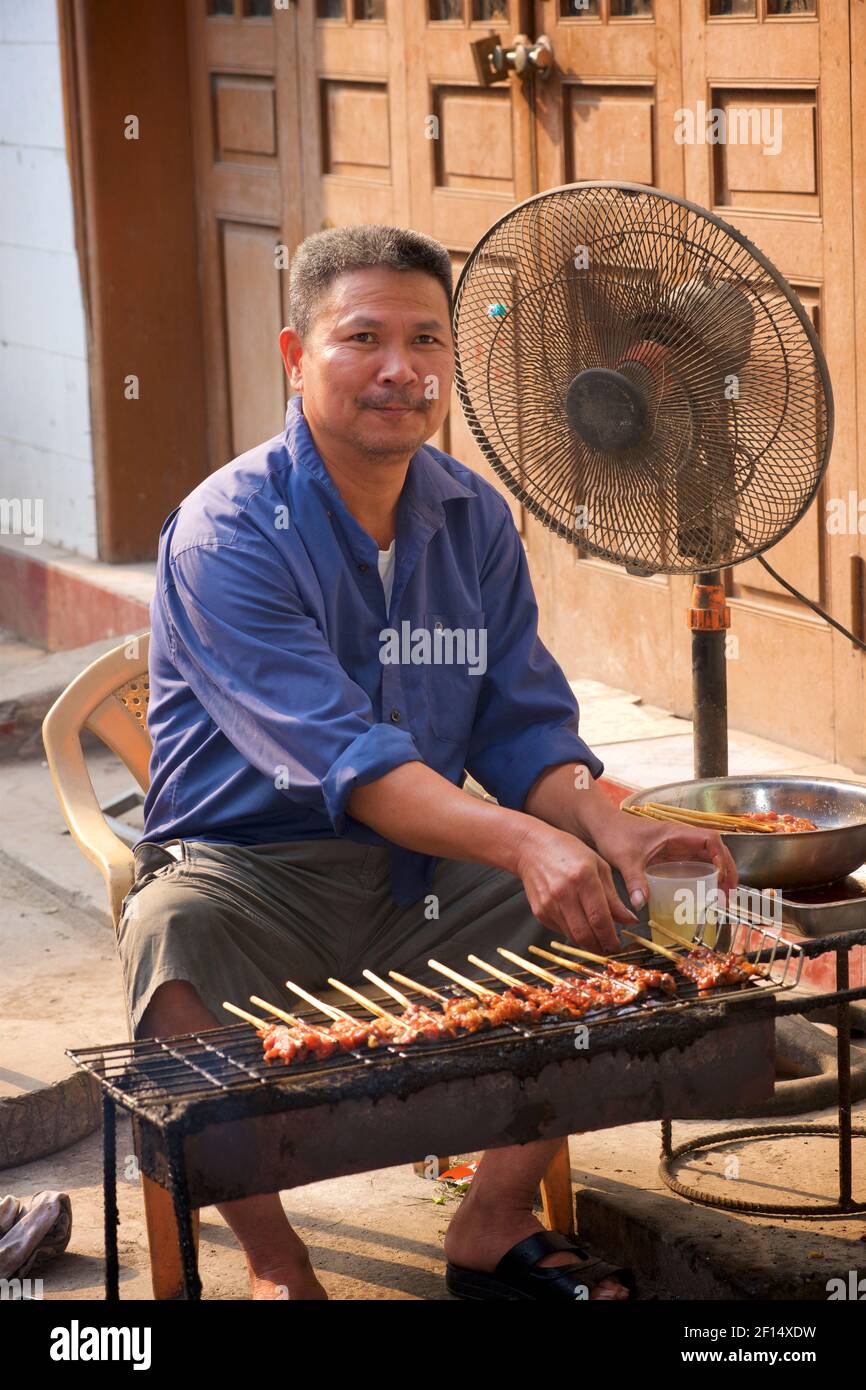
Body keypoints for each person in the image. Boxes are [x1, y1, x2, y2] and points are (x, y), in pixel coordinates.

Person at [119, 224, 737, 1301]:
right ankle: (275, 1264)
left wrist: (609, 824)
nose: (401, 370)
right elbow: (348, 760)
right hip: (252, 868)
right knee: (173, 940)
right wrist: (523, 840)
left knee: (630, 914)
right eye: (362, 337)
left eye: (426, 339)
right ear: (294, 355)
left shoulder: (471, 516)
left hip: (423, 872)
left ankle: (490, 1225)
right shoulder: (228, 532)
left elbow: (521, 728)